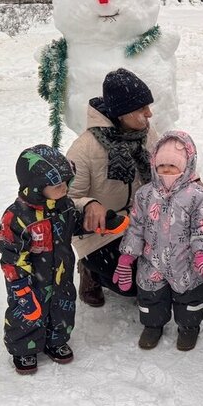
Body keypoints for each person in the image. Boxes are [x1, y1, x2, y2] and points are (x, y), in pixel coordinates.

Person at [112, 131, 203, 351]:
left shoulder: (196, 195)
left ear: (186, 166)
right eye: (162, 166)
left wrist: (202, 255)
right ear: (154, 165)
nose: (167, 171)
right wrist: (126, 257)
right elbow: (136, 226)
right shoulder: (144, 195)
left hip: (187, 262)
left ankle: (189, 328)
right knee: (151, 297)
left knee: (189, 298)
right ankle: (153, 326)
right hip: (152, 260)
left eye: (173, 166)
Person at [66, 68, 160, 307]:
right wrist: (89, 204)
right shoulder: (84, 148)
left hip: (138, 220)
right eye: (141, 109)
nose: (149, 114)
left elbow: (167, 167)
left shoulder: (145, 135)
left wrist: (197, 185)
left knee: (165, 268)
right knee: (134, 284)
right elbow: (66, 198)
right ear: (121, 113)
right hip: (101, 231)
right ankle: (90, 270)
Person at [0, 144, 83, 375]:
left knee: (62, 306)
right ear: (35, 187)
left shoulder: (65, 207)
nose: (64, 188)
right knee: (27, 313)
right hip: (29, 280)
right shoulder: (19, 216)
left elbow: (73, 225)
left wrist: (100, 223)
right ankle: (24, 347)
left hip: (61, 272)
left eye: (65, 183)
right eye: (56, 185)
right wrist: (20, 286)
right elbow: (10, 253)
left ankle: (56, 340)